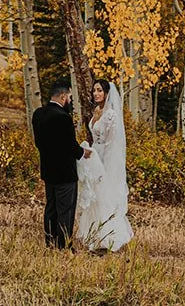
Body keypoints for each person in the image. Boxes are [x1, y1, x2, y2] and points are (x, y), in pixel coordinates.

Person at [75, 79, 133, 252]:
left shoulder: (111, 114)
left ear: (107, 93)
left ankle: (108, 239)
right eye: (94, 90)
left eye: (99, 90)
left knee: (104, 198)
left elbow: (112, 144)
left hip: (105, 160)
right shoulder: (96, 111)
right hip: (93, 157)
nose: (96, 93)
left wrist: (105, 166)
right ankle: (94, 237)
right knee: (94, 198)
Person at [31, 81, 84, 248]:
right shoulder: (63, 117)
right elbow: (70, 145)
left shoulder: (38, 114)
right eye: (69, 97)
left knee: (51, 208)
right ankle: (63, 245)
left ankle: (50, 241)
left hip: (48, 169)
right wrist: (83, 152)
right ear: (63, 97)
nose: (69, 100)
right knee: (66, 210)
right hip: (65, 172)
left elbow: (38, 142)